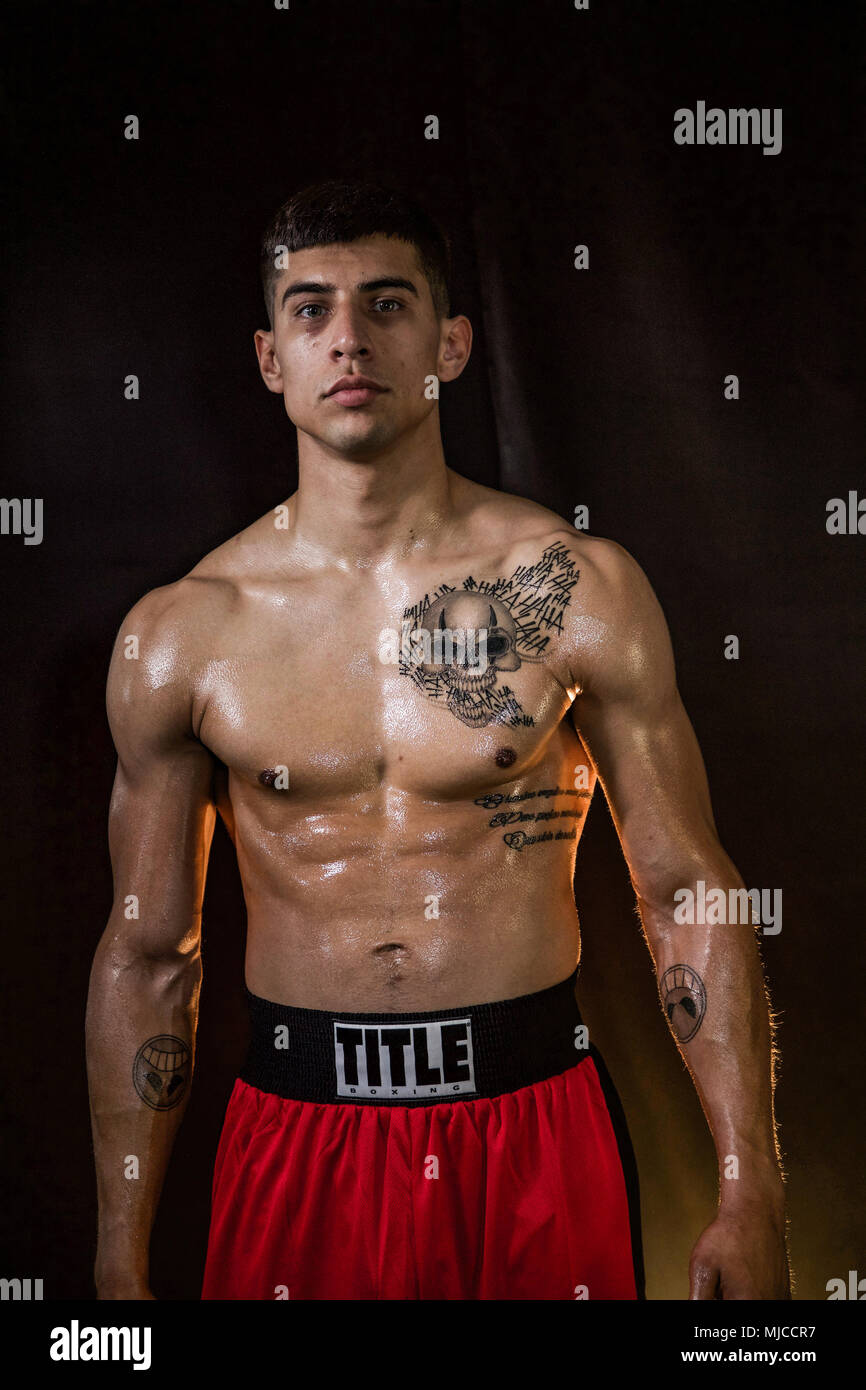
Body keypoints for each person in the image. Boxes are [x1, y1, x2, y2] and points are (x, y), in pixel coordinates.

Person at [85, 179, 790, 1301]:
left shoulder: (572, 590)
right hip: (294, 1138)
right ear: (270, 359)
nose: (348, 339)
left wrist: (748, 1190)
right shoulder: (184, 635)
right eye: (310, 310)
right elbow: (146, 952)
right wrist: (118, 1257)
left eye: (387, 303)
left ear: (452, 344)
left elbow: (685, 891)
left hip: (532, 1130)